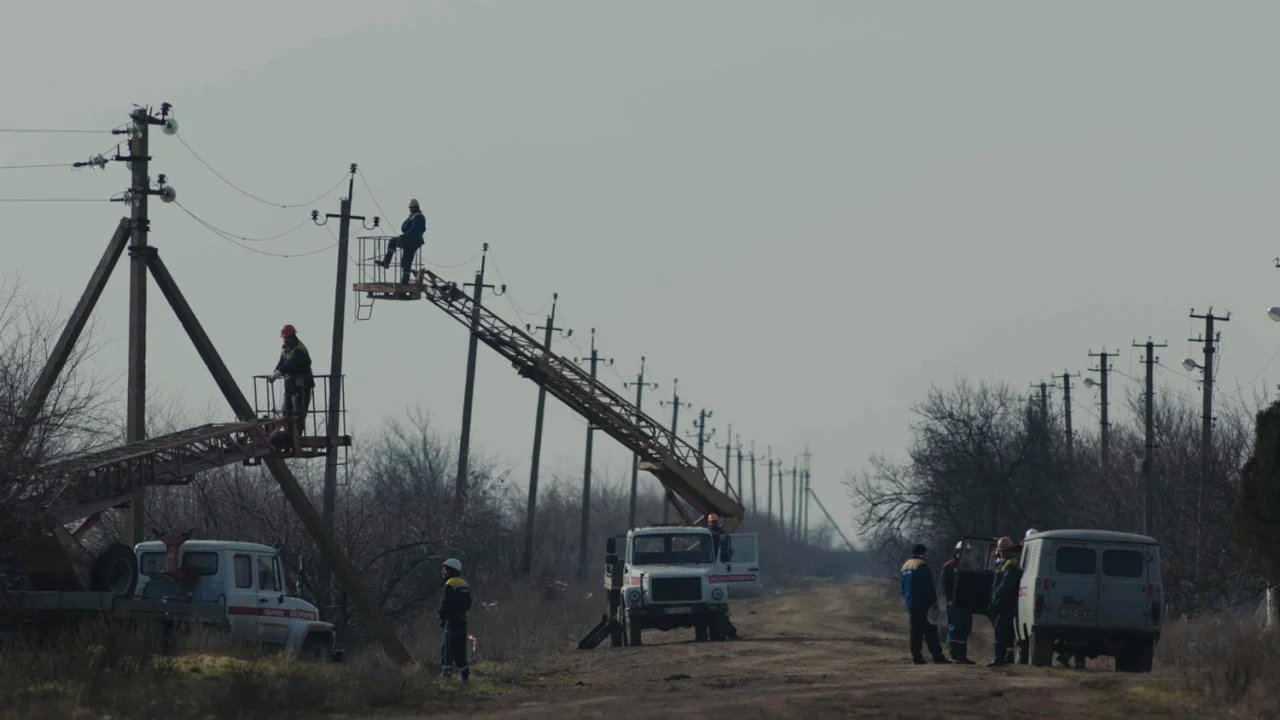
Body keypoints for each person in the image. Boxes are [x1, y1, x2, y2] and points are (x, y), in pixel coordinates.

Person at [901, 544, 951, 665]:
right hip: (923, 603)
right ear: (922, 553)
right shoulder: (921, 565)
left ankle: (916, 657)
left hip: (911, 603)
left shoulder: (905, 566)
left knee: (915, 631)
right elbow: (928, 586)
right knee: (930, 630)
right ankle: (937, 656)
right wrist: (934, 602)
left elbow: (903, 586)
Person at [270, 324, 314, 436]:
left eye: (286, 338)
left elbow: (292, 364)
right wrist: (275, 372)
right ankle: (288, 433)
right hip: (290, 385)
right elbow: (282, 362)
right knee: (286, 411)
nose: (284, 340)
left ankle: (296, 436)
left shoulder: (300, 350)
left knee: (298, 412)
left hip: (302, 386)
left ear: (292, 336)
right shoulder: (285, 349)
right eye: (283, 338)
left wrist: (280, 371)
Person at [987, 536, 1022, 667]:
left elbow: (1006, 585)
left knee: (1001, 632)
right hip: (1007, 604)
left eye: (1000, 550)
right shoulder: (1008, 563)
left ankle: (999, 658)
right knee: (1007, 634)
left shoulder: (1010, 565)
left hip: (1004, 604)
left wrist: (996, 596)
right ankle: (1008, 657)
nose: (999, 553)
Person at [375, 198, 426, 284]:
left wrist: (405, 235)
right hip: (410, 240)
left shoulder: (419, 217)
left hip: (412, 240)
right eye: (410, 208)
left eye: (412, 208)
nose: (411, 209)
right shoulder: (413, 216)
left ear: (416, 207)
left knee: (394, 242)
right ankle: (404, 279)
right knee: (406, 259)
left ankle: (386, 262)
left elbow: (416, 229)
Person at [438, 557, 472, 682]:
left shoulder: (450, 584)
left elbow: (445, 603)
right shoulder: (464, 583)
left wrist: (441, 616)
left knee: (447, 649)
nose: (442, 571)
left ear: (450, 570)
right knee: (460, 650)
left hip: (450, 622)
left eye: (444, 569)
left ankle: (446, 676)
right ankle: (465, 676)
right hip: (462, 621)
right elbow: (469, 603)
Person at [940, 541, 975, 664]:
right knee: (955, 629)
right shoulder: (948, 566)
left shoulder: (968, 566)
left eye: (967, 552)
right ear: (956, 552)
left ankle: (962, 656)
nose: (964, 554)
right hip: (953, 603)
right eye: (962, 552)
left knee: (965, 628)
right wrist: (949, 600)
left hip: (965, 604)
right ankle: (954, 654)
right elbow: (945, 585)